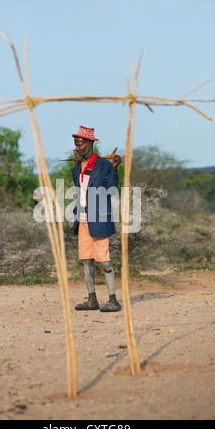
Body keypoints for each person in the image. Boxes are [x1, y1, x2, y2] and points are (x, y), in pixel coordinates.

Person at [71, 126, 122, 312]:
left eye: (81, 145)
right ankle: (92, 300)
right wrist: (77, 164)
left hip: (99, 218)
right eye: (76, 145)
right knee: (86, 260)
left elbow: (111, 190)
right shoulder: (79, 166)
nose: (78, 148)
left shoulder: (103, 165)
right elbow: (78, 186)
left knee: (104, 259)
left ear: (90, 144)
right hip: (83, 219)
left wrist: (114, 170)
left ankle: (113, 301)